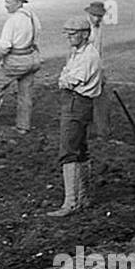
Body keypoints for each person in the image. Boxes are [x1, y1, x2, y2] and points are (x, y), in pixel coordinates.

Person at [47, 15, 102, 216]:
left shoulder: (88, 56)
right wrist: (64, 78)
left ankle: (71, 203)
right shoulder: (78, 53)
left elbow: (69, 81)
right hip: (77, 102)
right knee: (80, 148)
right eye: (68, 33)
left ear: (85, 34)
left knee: (69, 150)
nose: (69, 37)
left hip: (76, 102)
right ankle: (83, 197)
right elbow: (64, 75)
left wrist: (64, 79)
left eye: (73, 33)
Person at [0, 0, 43, 133]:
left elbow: (4, 47)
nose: (6, 5)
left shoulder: (13, 21)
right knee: (25, 94)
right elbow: (38, 33)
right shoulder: (32, 16)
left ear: (18, 2)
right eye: (5, 1)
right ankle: (23, 126)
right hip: (32, 59)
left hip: (16, 61)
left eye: (8, 2)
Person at [84, 1, 111, 139]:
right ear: (89, 14)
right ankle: (91, 133)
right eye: (94, 15)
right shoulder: (85, 30)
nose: (97, 18)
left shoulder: (99, 28)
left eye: (100, 16)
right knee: (87, 102)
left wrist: (102, 70)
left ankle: (101, 132)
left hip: (96, 69)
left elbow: (99, 52)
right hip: (86, 71)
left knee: (101, 101)